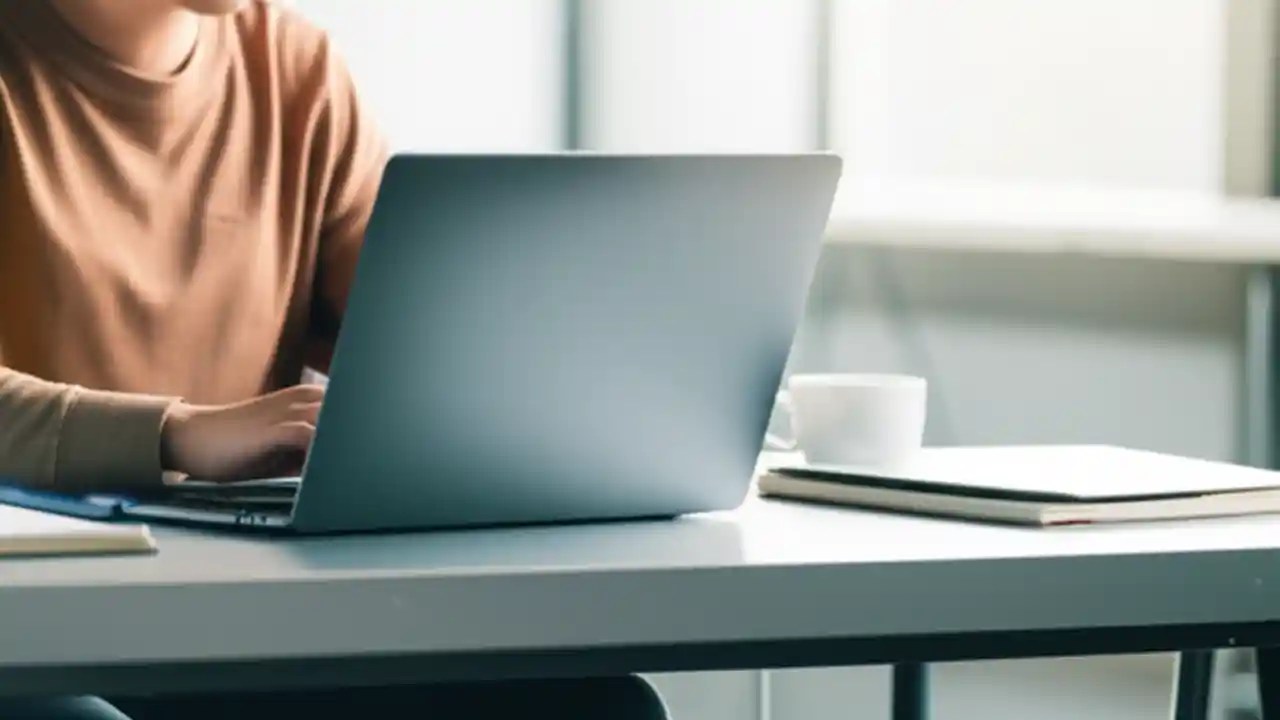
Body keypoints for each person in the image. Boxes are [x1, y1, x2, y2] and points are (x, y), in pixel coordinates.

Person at [0, 0, 669, 718]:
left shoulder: (294, 72)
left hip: (247, 622)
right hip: (37, 633)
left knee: (596, 708)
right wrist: (182, 432)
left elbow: (419, 339)